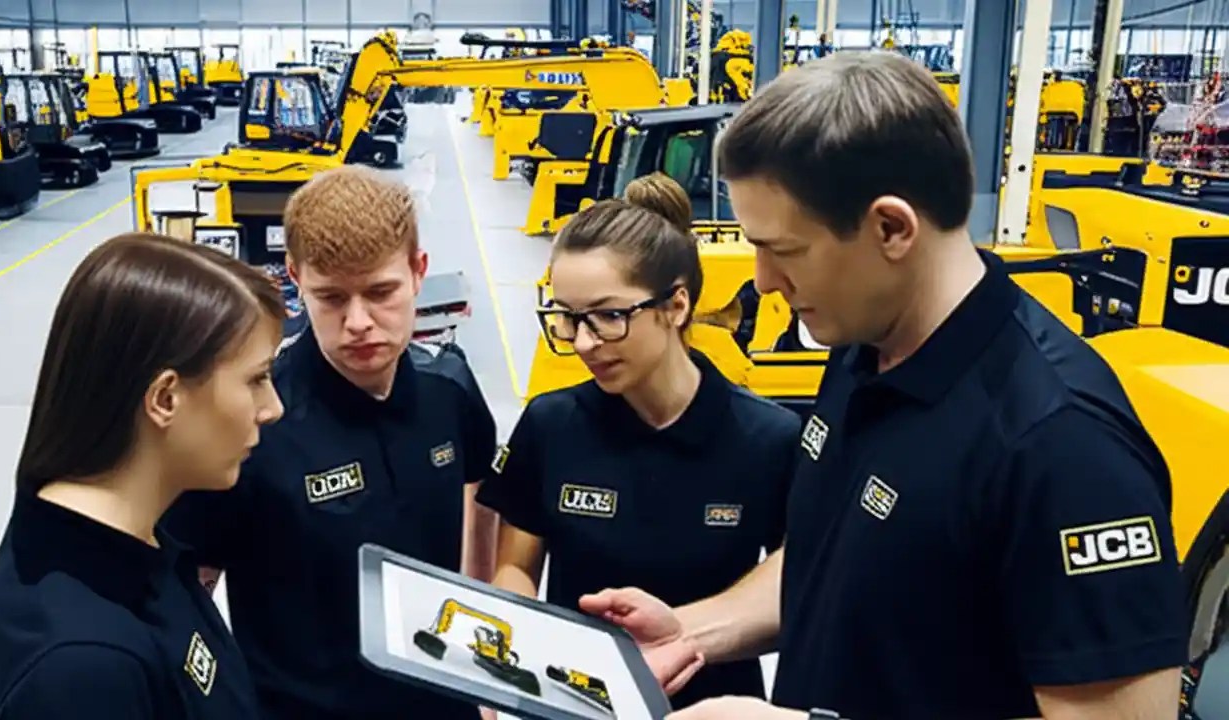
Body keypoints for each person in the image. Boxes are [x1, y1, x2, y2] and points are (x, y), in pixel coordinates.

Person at [578, 50, 1188, 720]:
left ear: (891, 228)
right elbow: (837, 560)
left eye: (783, 250)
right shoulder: (863, 350)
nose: (761, 281)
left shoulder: (1060, 445)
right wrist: (692, 632)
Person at [160, 164, 500, 720]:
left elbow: (479, 500)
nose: (358, 321)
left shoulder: (451, 388)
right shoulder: (252, 419)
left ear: (419, 271)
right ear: (295, 278)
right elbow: (189, 591)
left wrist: (478, 678)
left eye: (381, 292)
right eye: (331, 297)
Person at [476, 172, 800, 711]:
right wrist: (509, 665)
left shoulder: (768, 441)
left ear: (676, 306)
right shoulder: (551, 425)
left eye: (609, 316)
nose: (584, 342)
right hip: (572, 702)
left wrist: (690, 640)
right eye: (569, 318)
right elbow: (515, 568)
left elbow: (795, 595)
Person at [0, 233, 286, 719]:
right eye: (255, 379)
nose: (272, 408)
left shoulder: (131, 540)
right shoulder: (82, 672)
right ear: (165, 399)